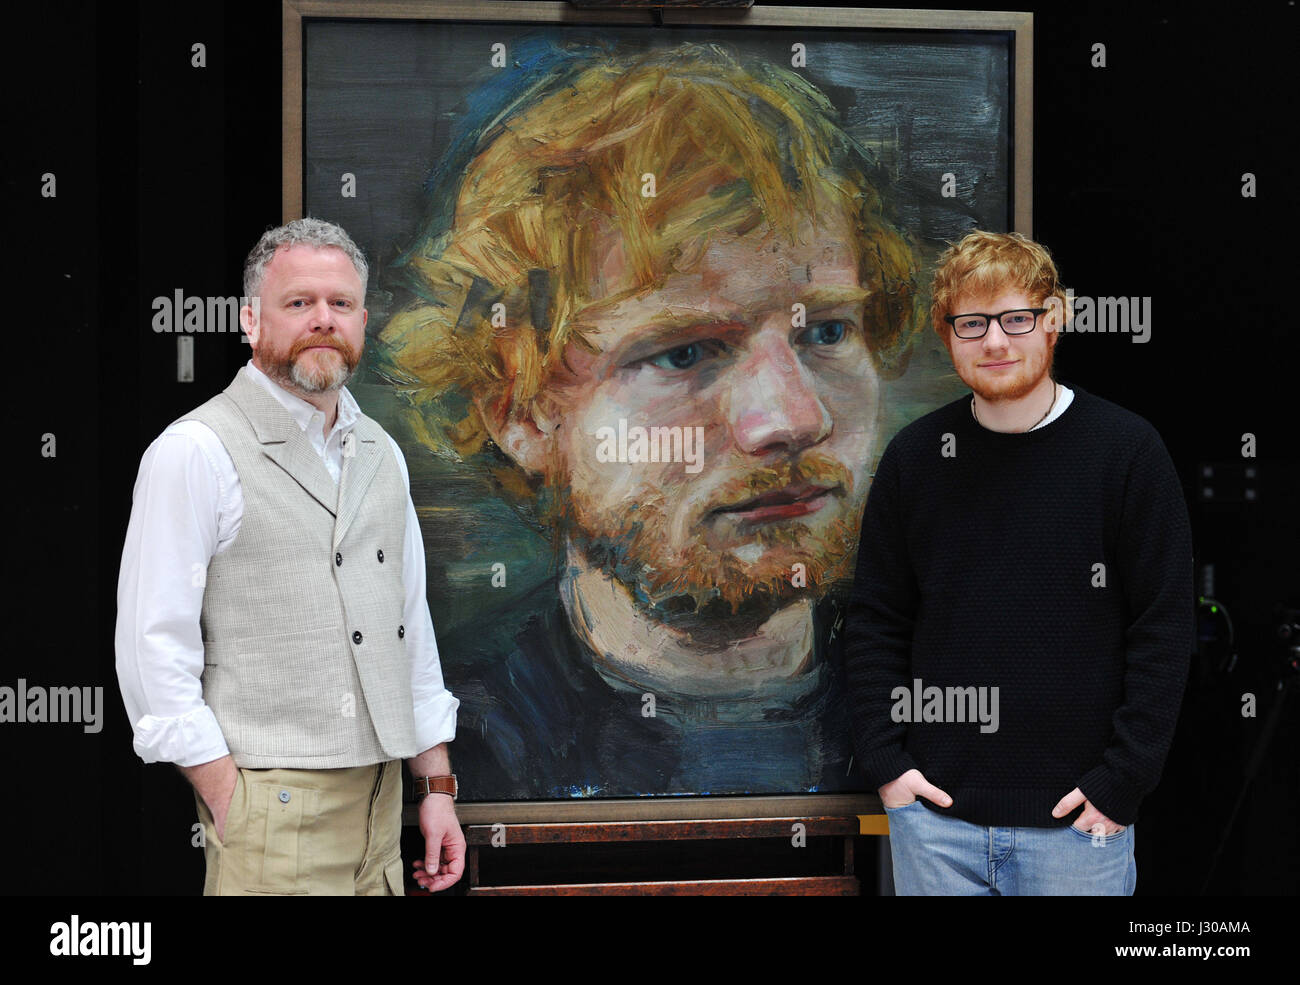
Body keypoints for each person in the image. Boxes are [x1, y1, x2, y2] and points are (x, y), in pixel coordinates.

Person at [378, 41, 920, 799]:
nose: (794, 419)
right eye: (685, 353)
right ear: (521, 413)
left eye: (827, 332)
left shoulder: (947, 695)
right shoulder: (449, 739)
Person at [115, 218, 463, 895]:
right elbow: (151, 644)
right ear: (250, 320)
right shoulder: (195, 450)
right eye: (299, 302)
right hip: (269, 809)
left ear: (363, 321)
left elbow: (408, 631)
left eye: (340, 303)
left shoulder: (383, 454)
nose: (323, 319)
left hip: (383, 809)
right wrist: (229, 798)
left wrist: (436, 785)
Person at [843, 229, 1193, 895]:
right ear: (947, 336)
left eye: (1016, 319)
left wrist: (1123, 781)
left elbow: (1164, 628)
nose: (995, 341)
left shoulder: (1126, 453)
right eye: (972, 323)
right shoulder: (916, 458)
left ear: (1053, 319)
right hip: (936, 826)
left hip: (1078, 830)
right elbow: (876, 622)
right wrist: (887, 765)